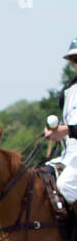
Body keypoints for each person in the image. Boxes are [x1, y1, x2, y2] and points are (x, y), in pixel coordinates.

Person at [43, 37, 77, 203]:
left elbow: (70, 129)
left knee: (66, 185)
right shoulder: (68, 91)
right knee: (39, 177)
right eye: (75, 60)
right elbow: (67, 126)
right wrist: (55, 132)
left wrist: (68, 131)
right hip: (68, 155)